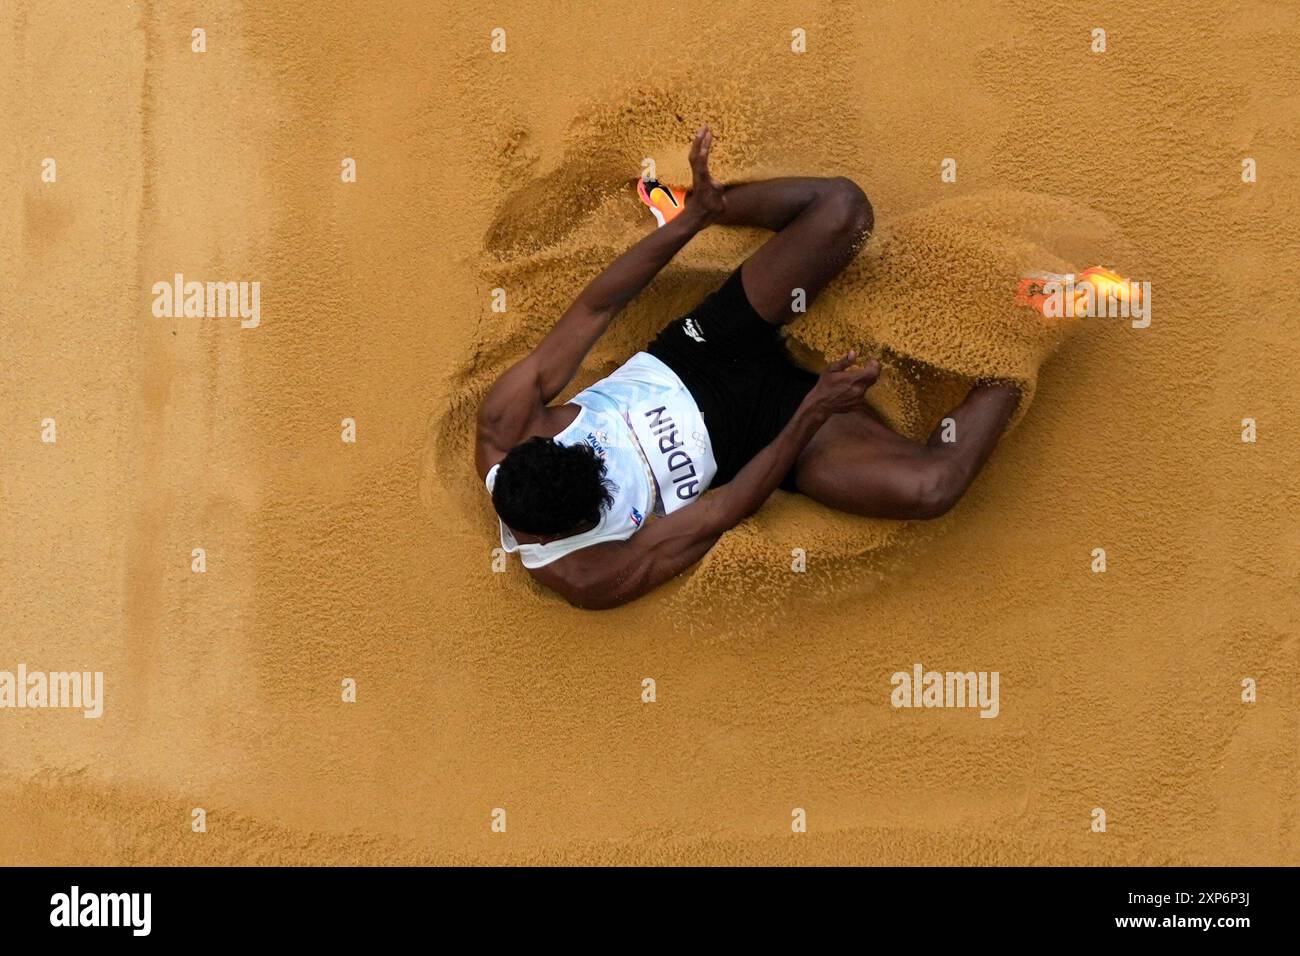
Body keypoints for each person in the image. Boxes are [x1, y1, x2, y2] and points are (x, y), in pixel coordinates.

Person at [475, 126, 1020, 609]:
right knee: (930, 488)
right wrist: (812, 410)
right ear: (564, 532)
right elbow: (723, 509)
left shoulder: (506, 423)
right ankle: (1022, 334)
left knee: (843, 209)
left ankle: (701, 206)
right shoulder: (587, 574)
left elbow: (598, 305)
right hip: (768, 436)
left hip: (704, 349)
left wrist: (689, 226)